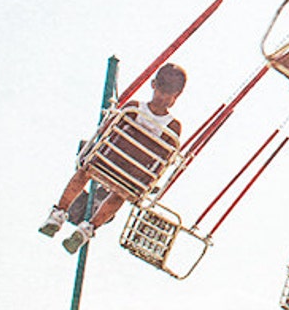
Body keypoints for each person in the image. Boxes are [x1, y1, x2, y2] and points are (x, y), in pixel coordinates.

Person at [39, 63, 187, 253]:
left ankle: (80, 225)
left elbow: (109, 129)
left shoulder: (145, 114)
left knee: (110, 184)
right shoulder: (140, 111)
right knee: (100, 180)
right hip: (122, 168)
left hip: (118, 166)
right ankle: (62, 215)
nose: (163, 98)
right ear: (153, 85)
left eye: (168, 94)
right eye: (162, 92)